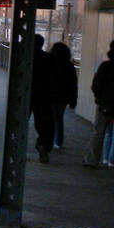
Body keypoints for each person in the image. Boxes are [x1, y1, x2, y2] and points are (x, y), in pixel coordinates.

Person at [83, 40, 114, 173]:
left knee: (98, 132)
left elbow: (96, 85)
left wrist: (99, 98)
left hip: (105, 104)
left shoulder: (106, 66)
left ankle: (91, 161)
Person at [29, 34, 55, 162]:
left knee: (19, 120)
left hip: (26, 93)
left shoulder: (24, 55)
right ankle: (43, 144)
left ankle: (16, 145)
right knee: (44, 124)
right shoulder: (48, 58)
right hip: (44, 95)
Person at [49, 42, 78, 150]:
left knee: (49, 118)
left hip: (49, 95)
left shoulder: (49, 63)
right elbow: (73, 84)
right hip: (63, 97)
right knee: (59, 119)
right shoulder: (69, 65)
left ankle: (49, 139)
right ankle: (58, 142)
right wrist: (73, 99)